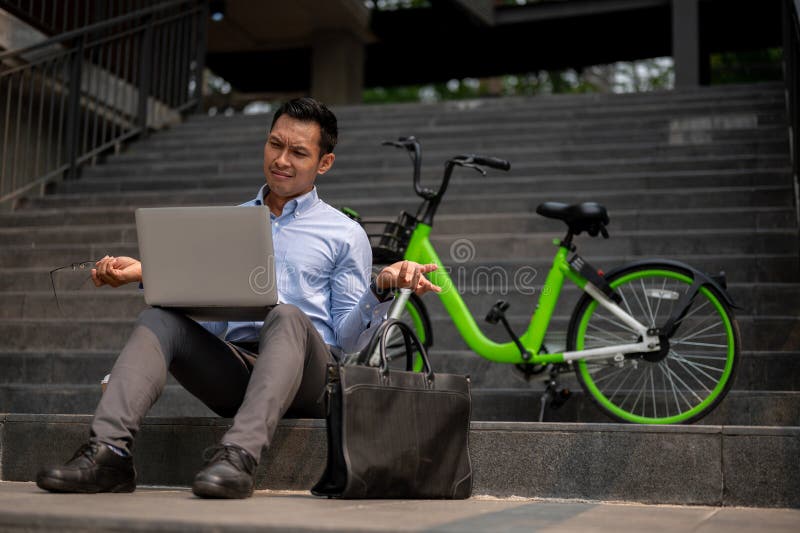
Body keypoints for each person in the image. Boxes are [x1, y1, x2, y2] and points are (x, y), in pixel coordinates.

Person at [36, 97, 440, 499]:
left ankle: (238, 457)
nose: (282, 159)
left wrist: (379, 289)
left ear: (324, 163)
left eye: (298, 152)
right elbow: (211, 322)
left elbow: (349, 341)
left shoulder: (343, 233)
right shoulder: (232, 222)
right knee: (158, 318)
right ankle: (110, 454)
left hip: (313, 377)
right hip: (238, 369)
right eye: (275, 144)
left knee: (286, 316)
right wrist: (150, 275)